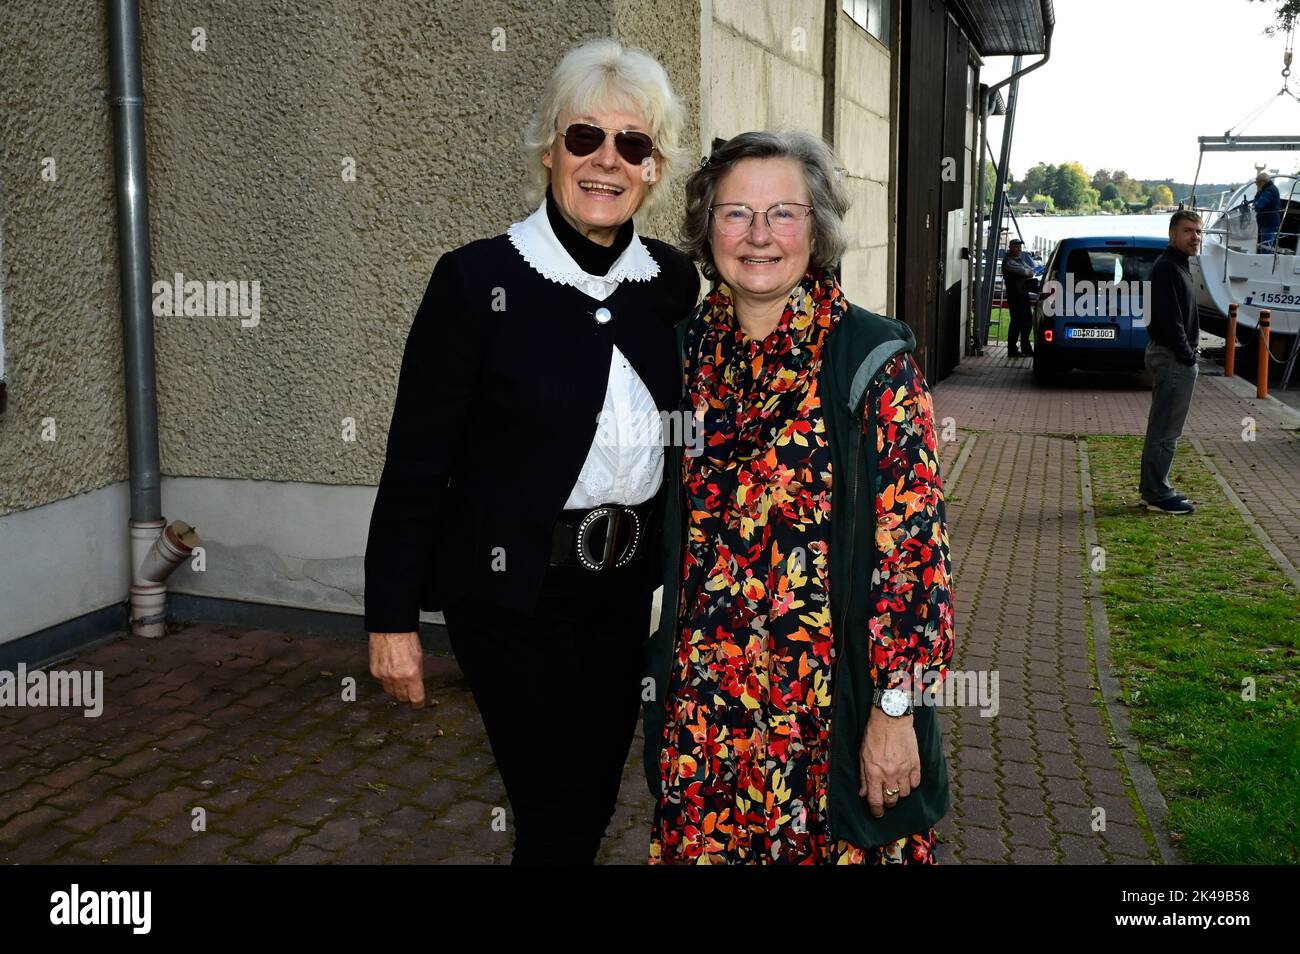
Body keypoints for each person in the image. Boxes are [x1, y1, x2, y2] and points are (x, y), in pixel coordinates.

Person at [363, 37, 699, 864]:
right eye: (584, 137)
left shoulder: (672, 284)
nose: (606, 162)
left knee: (585, 806)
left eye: (633, 143)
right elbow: (415, 461)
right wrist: (390, 618)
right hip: (514, 603)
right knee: (556, 812)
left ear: (654, 168)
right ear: (549, 148)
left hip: (624, 599)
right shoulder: (477, 283)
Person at [642, 131, 955, 864]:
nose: (758, 236)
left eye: (783, 213)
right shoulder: (680, 356)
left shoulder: (873, 363)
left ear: (816, 229)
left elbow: (915, 559)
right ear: (705, 226)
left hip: (829, 731)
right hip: (707, 733)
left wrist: (895, 711)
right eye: (735, 214)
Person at [1139, 210, 1202, 515]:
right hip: (1173, 358)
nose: (1195, 237)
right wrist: (1187, 356)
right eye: (1188, 231)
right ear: (1173, 234)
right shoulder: (1166, 269)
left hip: (1175, 356)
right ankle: (1157, 493)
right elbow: (1168, 320)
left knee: (1163, 428)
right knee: (1166, 430)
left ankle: (1156, 487)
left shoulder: (1178, 266)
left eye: (1198, 232)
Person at [1001, 237, 1036, 357]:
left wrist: (1028, 271)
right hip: (1015, 296)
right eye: (1016, 246)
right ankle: (1012, 349)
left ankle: (1025, 347)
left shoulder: (1018, 259)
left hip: (1022, 294)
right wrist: (1027, 271)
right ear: (1010, 248)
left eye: (1019, 247)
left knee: (1027, 321)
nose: (1018, 249)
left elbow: (1030, 270)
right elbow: (1027, 272)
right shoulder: (1009, 262)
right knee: (1016, 322)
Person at [1251, 171, 1282, 252]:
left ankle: (1264, 264)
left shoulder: (1269, 191)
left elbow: (1257, 206)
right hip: (1272, 222)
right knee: (1269, 247)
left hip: (1268, 224)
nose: (1257, 185)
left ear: (1263, 182)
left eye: (1257, 183)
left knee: (1265, 249)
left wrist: (1258, 193)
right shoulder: (1272, 189)